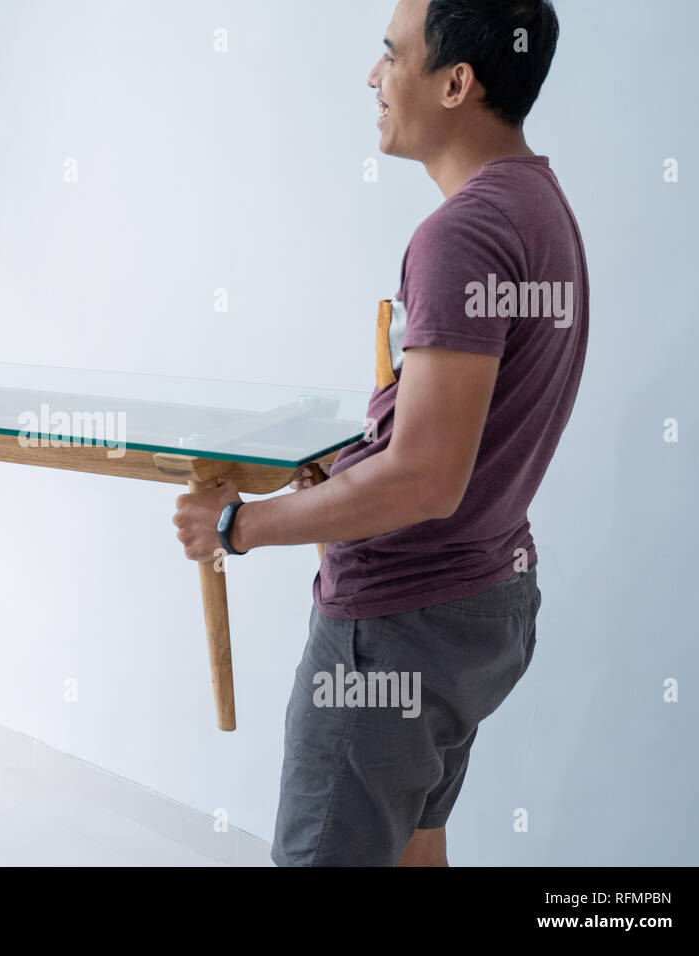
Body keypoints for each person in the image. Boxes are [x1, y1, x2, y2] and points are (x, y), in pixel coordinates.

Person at [173, 0, 584, 866]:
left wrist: (235, 528)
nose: (373, 77)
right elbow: (465, 433)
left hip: (397, 626)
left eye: (389, 55)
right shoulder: (539, 204)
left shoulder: (461, 233)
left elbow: (425, 479)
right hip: (486, 607)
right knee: (415, 848)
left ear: (455, 83)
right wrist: (348, 460)